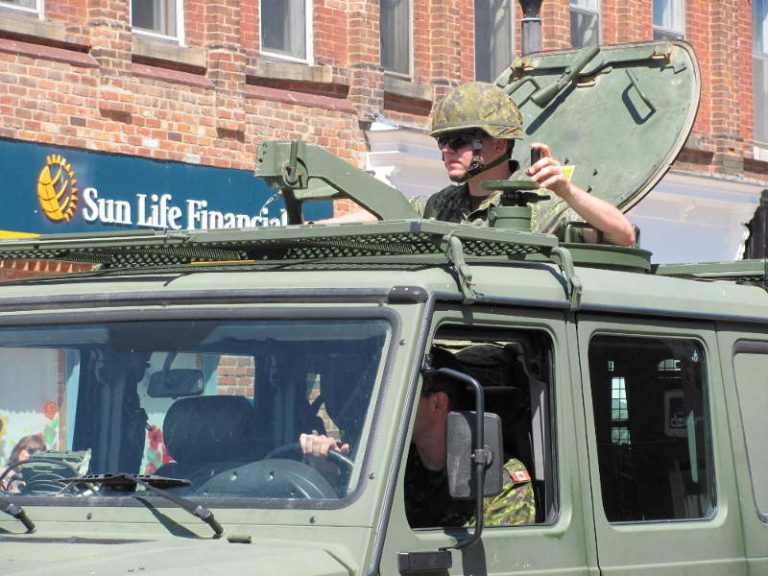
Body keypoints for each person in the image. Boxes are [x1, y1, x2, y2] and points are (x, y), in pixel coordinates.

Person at [316, 82, 636, 247]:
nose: (447, 151)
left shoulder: (542, 205)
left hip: (508, 349)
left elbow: (623, 235)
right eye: (442, 142)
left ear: (498, 143)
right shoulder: (441, 206)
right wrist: (311, 229)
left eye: (459, 141)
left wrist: (566, 191)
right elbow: (382, 210)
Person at [299, 372, 536, 529]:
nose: (382, 406)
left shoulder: (498, 477)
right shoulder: (388, 461)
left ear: (437, 403)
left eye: (397, 395)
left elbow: (500, 558)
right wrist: (328, 475)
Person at [404, 373, 535, 528]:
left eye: (401, 397)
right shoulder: (391, 466)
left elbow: (500, 550)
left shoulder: (500, 479)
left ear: (437, 404)